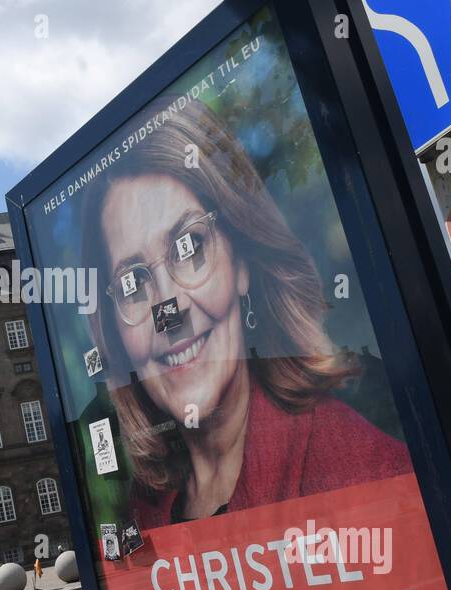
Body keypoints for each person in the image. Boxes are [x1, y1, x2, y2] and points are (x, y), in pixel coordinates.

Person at [80, 97, 411, 530]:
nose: (169, 312)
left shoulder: (365, 469)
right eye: (132, 283)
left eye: (189, 248)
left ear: (241, 264)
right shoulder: (147, 514)